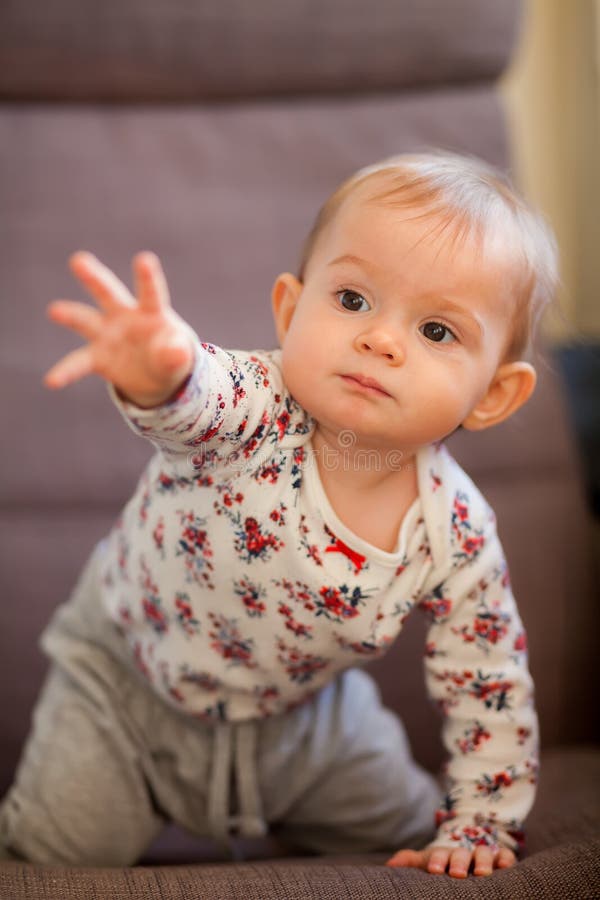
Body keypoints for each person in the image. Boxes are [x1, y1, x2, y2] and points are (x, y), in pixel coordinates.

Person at [0, 152, 557, 878]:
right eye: (354, 300)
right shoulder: (254, 407)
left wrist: (483, 823)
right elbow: (197, 398)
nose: (381, 340)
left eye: (437, 332)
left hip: (308, 724)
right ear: (292, 311)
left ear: (493, 395)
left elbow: (488, 675)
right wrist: (163, 372)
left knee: (416, 828)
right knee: (52, 859)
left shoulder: (454, 531)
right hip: (127, 684)